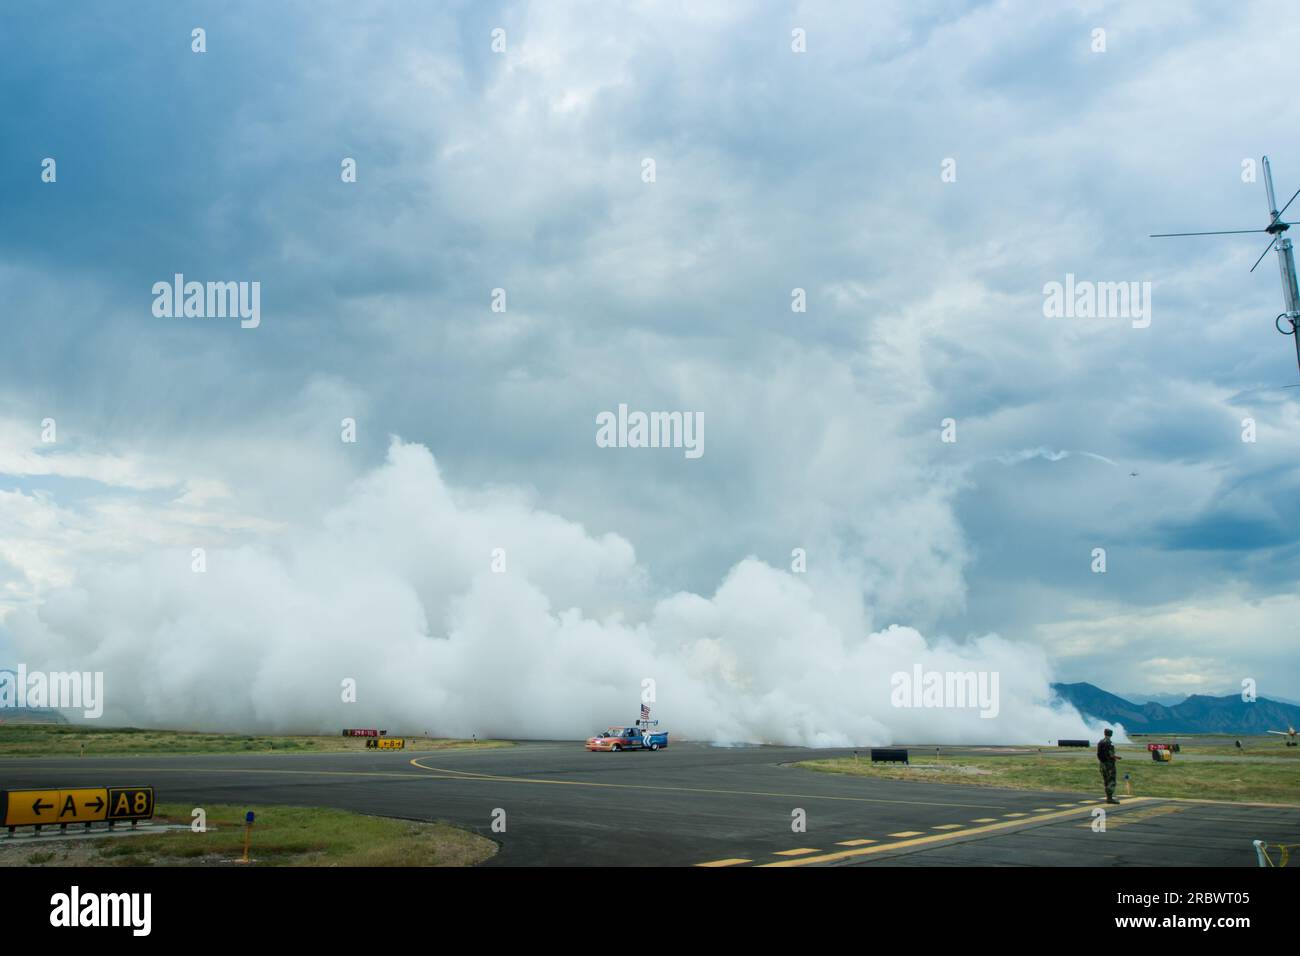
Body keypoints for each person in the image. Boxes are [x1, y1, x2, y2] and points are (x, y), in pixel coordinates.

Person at [1097, 728, 1121, 803]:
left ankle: (1108, 797)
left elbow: (1098, 753)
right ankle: (1109, 798)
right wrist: (1116, 757)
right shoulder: (1109, 743)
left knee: (1106, 780)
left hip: (1102, 764)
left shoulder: (1100, 742)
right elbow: (1111, 754)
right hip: (1109, 764)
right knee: (1111, 780)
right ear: (1111, 734)